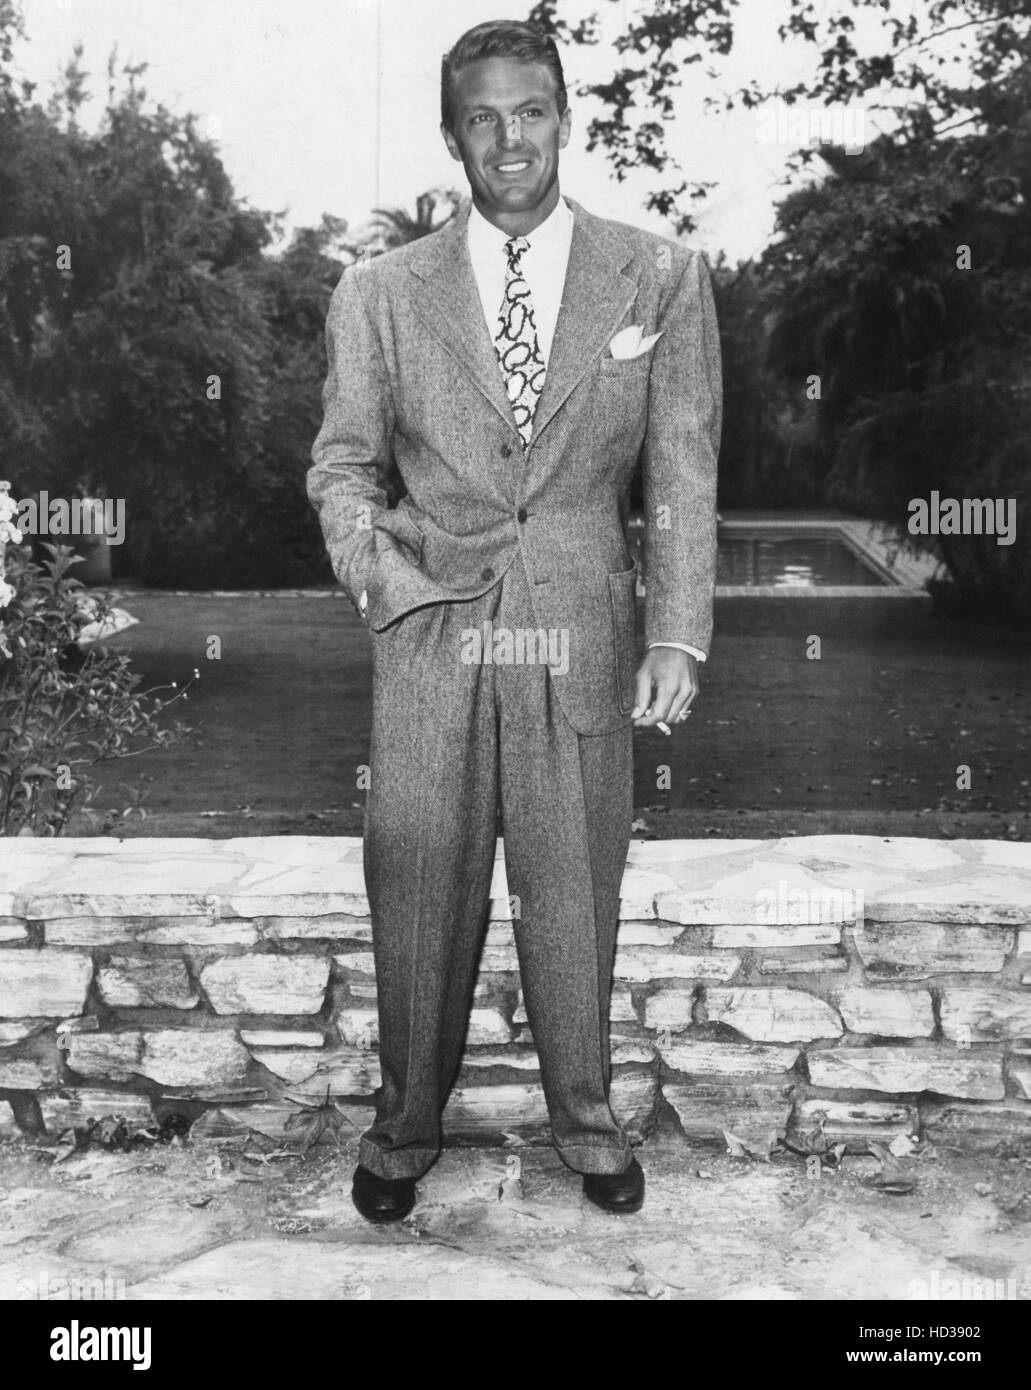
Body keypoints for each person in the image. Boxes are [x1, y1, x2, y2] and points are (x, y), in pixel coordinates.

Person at [307, 18, 722, 1222]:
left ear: (562, 117)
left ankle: (586, 1125)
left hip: (581, 632)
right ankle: (402, 1130)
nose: (508, 139)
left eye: (529, 110)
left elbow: (680, 471)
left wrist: (675, 632)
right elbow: (342, 466)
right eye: (481, 117)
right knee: (419, 877)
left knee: (572, 884)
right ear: (453, 134)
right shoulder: (378, 292)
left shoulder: (655, 276)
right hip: (434, 631)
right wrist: (380, 581)